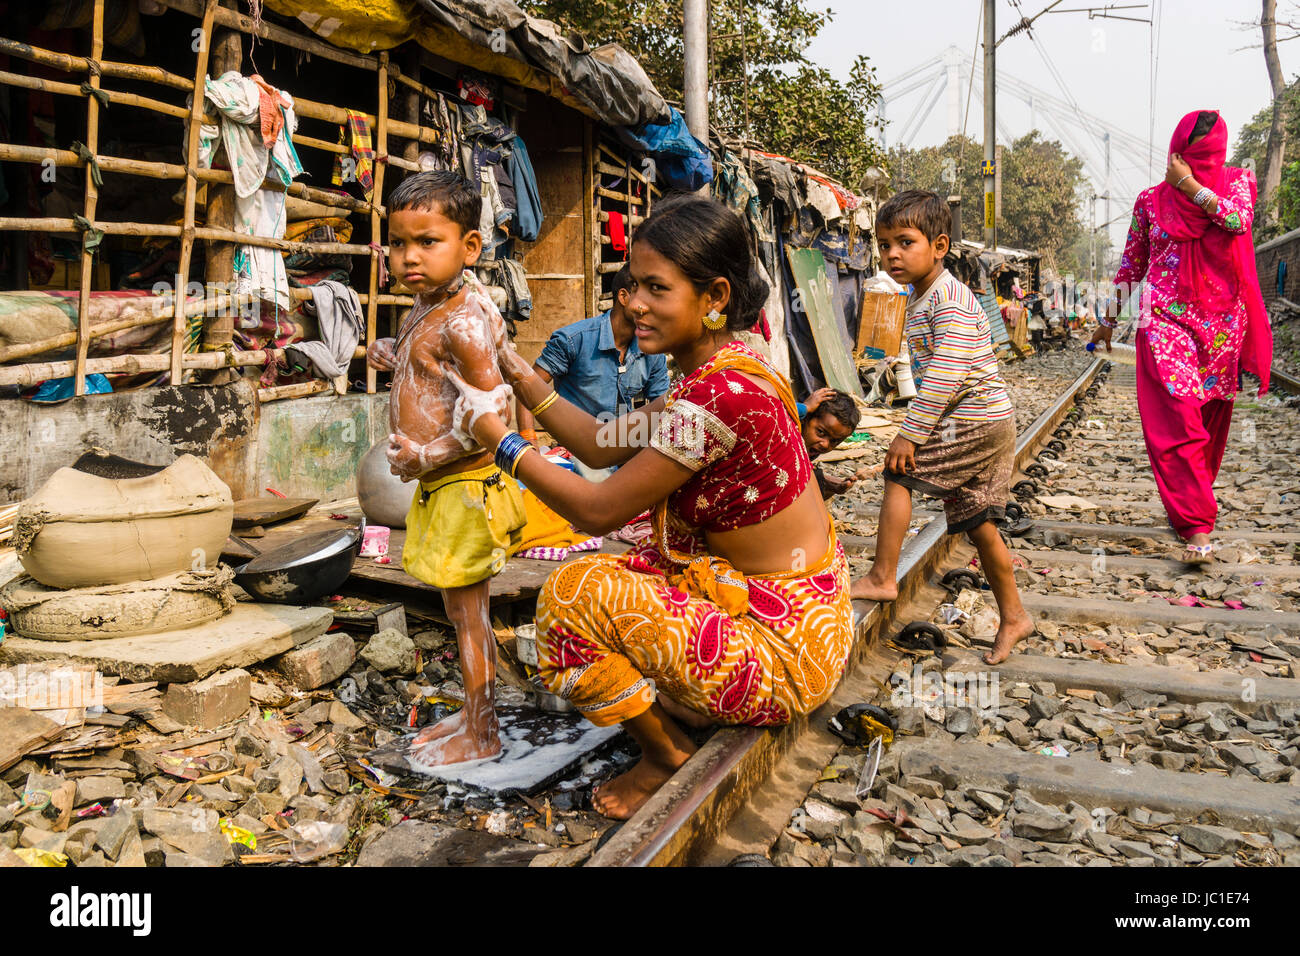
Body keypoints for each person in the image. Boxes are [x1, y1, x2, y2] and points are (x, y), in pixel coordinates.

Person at [449, 197, 855, 819]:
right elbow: (595, 439)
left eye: (655, 288)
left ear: (715, 294)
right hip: (801, 618)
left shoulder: (715, 398)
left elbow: (596, 511)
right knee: (634, 568)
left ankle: (664, 753)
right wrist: (508, 362)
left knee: (571, 594)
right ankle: (690, 699)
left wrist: (497, 439)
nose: (633, 302)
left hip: (783, 652)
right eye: (632, 283)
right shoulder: (728, 371)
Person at [365, 170, 527, 768]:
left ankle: (482, 730)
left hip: (463, 483)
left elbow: (493, 410)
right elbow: (432, 365)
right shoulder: (429, 305)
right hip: (447, 487)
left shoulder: (462, 318)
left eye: (427, 242)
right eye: (399, 243)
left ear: (471, 247)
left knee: (468, 614)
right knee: (464, 612)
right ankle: (474, 713)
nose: (409, 257)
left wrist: (426, 455)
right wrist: (395, 349)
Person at [848, 190, 1034, 665]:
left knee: (898, 474)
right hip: (990, 422)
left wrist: (910, 432)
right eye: (884, 243)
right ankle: (1014, 616)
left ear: (940, 245)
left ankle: (882, 576)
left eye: (905, 242)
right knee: (979, 523)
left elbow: (947, 374)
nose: (892, 253)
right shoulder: (922, 296)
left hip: (973, 421)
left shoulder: (948, 298)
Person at [1091, 109, 1272, 564]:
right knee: (1179, 413)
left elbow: (1237, 222)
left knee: (1208, 419)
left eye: (1201, 156)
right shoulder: (1150, 201)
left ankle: (1190, 502)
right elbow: (1132, 265)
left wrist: (1192, 188)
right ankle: (1196, 524)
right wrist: (1109, 319)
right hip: (1165, 319)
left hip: (1222, 323)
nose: (1191, 162)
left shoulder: (1237, 184)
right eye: (1187, 156)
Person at [516, 264, 670, 480]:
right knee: (599, 490)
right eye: (646, 302)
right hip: (579, 451)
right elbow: (526, 389)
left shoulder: (652, 350)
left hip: (626, 449)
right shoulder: (574, 340)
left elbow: (664, 409)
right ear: (624, 298)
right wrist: (529, 443)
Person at [797, 387, 862, 498]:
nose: (825, 444)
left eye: (834, 441)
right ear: (805, 418)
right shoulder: (788, 429)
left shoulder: (811, 448)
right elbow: (775, 411)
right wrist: (805, 408)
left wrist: (827, 482)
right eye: (821, 432)